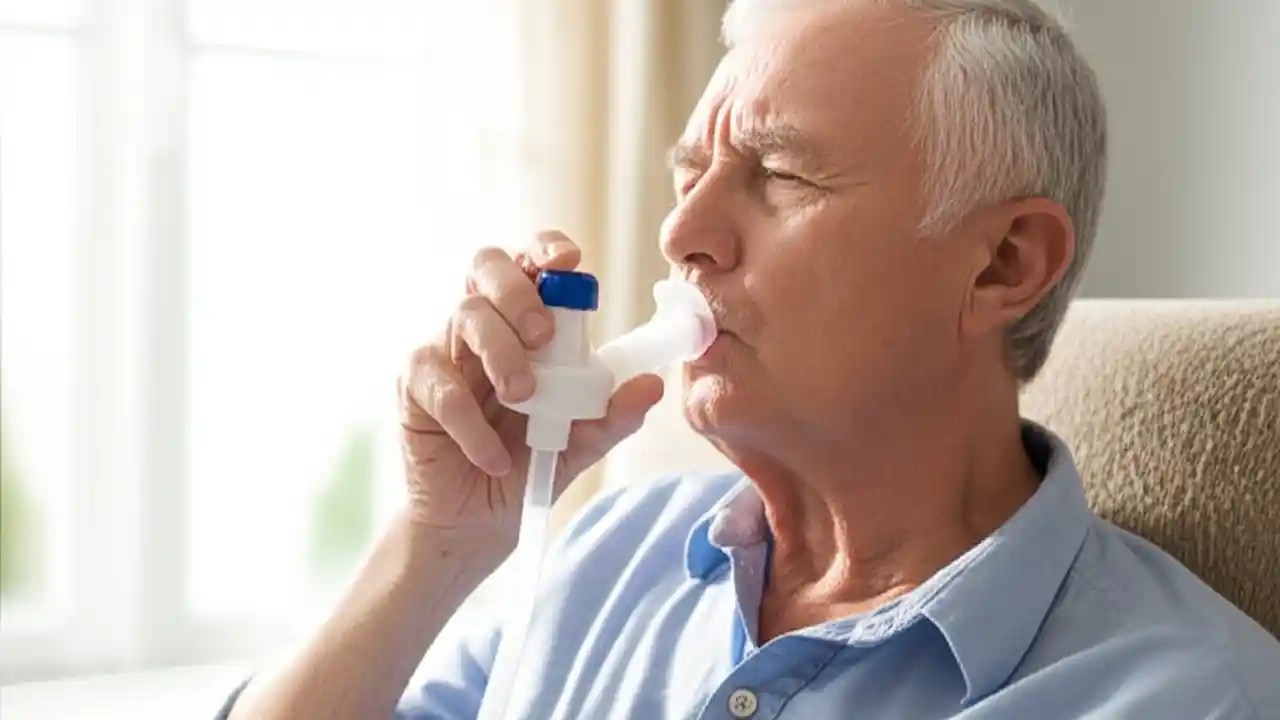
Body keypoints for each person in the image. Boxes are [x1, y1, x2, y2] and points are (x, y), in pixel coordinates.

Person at [223, 0, 1280, 718]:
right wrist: (435, 546)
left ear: (1003, 263)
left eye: (777, 174)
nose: (679, 232)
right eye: (689, 175)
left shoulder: (1181, 696)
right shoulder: (608, 558)